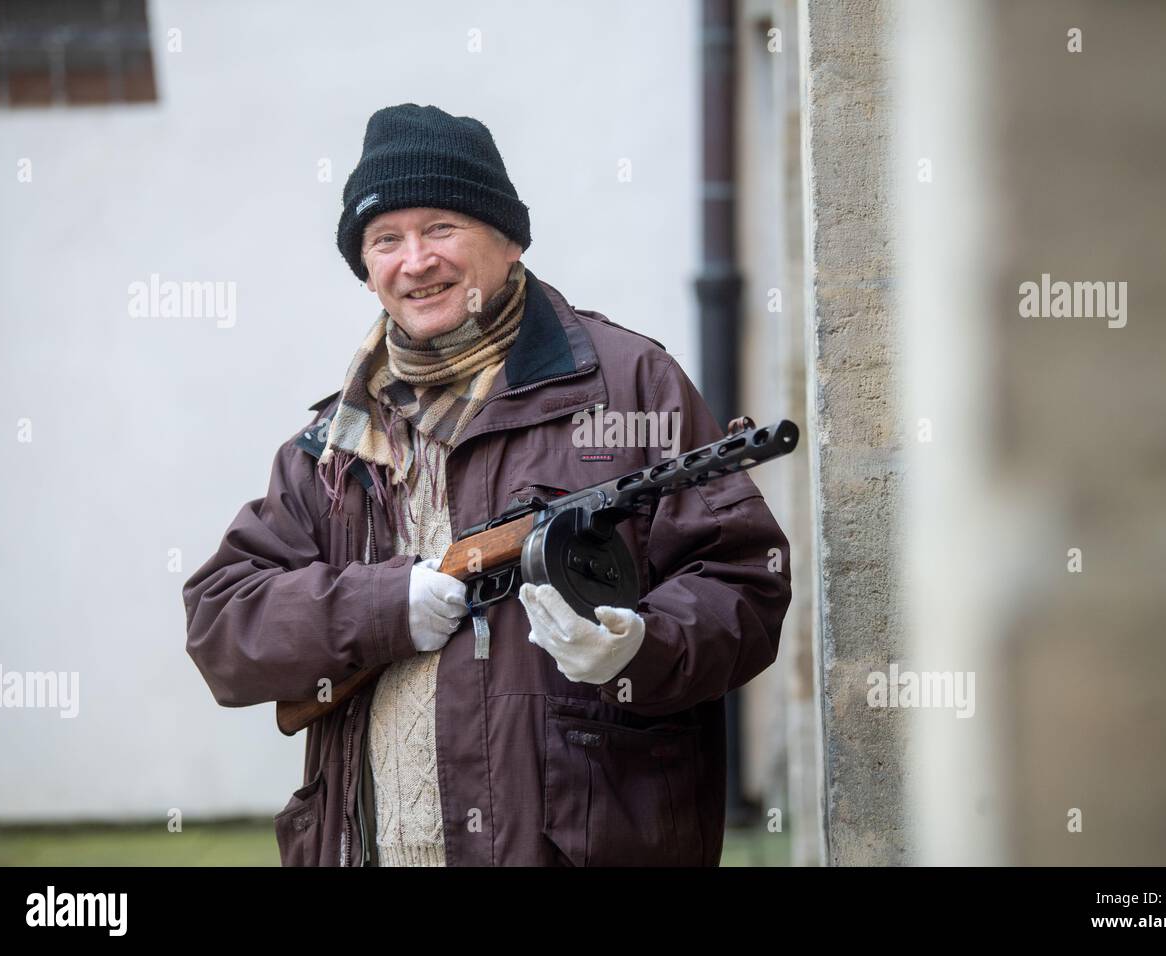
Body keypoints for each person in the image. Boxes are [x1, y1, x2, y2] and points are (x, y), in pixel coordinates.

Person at [183, 103, 792, 866]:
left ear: (507, 241)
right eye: (385, 240)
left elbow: (746, 583)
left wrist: (641, 644)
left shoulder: (632, 385)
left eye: (441, 227)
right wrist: (383, 606)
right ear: (367, 272)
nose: (415, 260)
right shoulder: (333, 442)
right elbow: (221, 625)